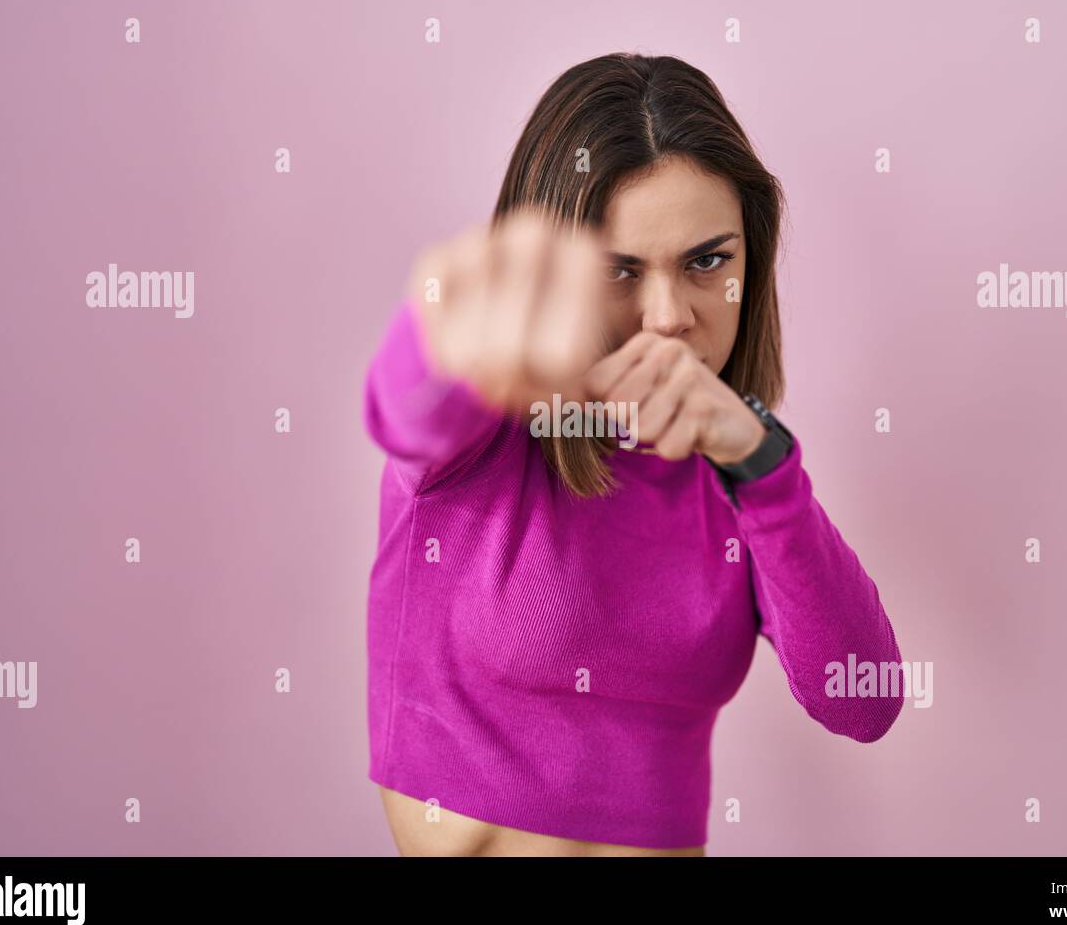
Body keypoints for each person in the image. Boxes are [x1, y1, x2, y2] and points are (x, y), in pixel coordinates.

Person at [363, 52, 904, 857]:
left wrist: (763, 468)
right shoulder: (480, 432)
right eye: (619, 270)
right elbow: (401, 408)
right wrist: (448, 322)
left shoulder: (745, 480)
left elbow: (866, 701)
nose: (669, 317)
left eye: (707, 261)